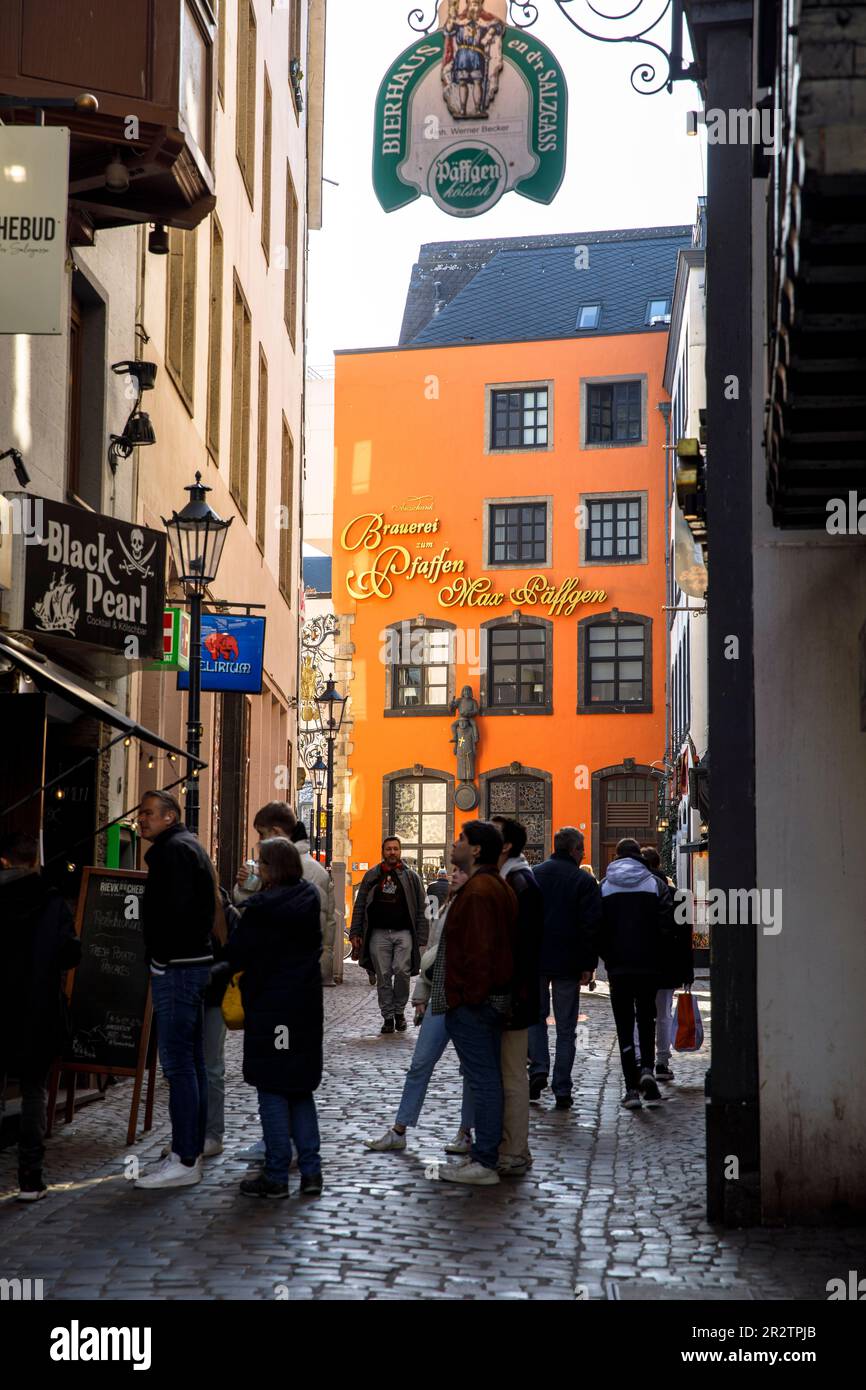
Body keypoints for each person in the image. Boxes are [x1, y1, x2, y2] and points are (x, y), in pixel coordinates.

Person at [219, 838, 324, 1198]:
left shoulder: (262, 909)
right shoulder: (308, 898)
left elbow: (238, 953)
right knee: (299, 1089)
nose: (257, 869)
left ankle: (277, 1174)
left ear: (271, 869)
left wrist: (238, 910)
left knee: (273, 1089)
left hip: (272, 1009)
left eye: (261, 864)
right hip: (305, 1008)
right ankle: (311, 1173)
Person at [135, 790, 216, 1190]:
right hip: (191, 965)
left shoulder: (173, 853)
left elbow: (177, 912)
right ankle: (191, 1147)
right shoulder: (187, 846)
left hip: (178, 969)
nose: (141, 820)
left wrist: (160, 960)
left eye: (148, 813)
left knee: (179, 1063)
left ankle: (185, 1158)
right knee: (193, 1061)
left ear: (170, 817)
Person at [364, 865, 473, 1154]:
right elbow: (432, 956)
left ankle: (466, 1132)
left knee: (470, 1071)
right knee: (420, 1065)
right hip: (440, 997)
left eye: (461, 872)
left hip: (468, 1001)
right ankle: (400, 1129)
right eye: (453, 871)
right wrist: (421, 995)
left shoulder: (477, 906)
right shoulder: (448, 906)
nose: (454, 875)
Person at [430, 821, 516, 1186]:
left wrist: (467, 999)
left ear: (477, 850)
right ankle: (484, 1157)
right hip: (481, 1001)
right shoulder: (491, 886)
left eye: (462, 839)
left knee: (483, 1081)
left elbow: (479, 954)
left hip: (475, 1005)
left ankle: (484, 1160)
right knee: (485, 1079)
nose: (455, 843)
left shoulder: (480, 891)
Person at [0, 832, 81, 1201]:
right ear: (35, 862)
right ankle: (30, 1179)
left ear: (4, 861)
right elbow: (70, 954)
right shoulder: (53, 903)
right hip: (37, 1008)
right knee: (34, 1091)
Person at [484, 815, 543, 1174]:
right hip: (512, 992)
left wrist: (509, 994)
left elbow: (521, 949)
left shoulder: (520, 883)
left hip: (515, 994)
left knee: (512, 1074)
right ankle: (506, 1146)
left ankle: (515, 1150)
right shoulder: (512, 879)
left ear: (505, 846)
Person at [528, 828, 602, 1108]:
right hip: (569, 962)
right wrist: (588, 965)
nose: (583, 853)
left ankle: (538, 1070)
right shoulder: (583, 881)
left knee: (535, 1018)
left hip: (535, 960)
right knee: (566, 1027)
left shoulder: (534, 874)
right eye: (581, 848)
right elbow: (590, 926)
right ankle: (562, 1087)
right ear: (573, 850)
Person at [600, 838, 670, 1111]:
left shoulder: (604, 887)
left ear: (617, 856)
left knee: (624, 1024)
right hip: (648, 966)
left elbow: (597, 928)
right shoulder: (655, 885)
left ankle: (630, 1088)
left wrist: (609, 958)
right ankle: (648, 1069)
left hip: (619, 969)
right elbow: (666, 925)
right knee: (647, 1018)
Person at [235, 801, 337, 988]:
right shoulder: (273, 864)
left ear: (275, 833)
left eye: (261, 833)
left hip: (290, 972)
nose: (259, 840)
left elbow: (309, 928)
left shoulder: (308, 870)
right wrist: (246, 887)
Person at [349, 836, 427, 1034]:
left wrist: (422, 937)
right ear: (382, 851)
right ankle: (388, 1017)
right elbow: (360, 905)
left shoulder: (411, 877)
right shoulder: (372, 875)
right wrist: (356, 931)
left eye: (395, 849)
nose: (392, 852)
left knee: (402, 971)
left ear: (400, 851)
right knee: (383, 976)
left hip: (404, 933)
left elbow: (421, 908)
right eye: (388, 849)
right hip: (378, 933)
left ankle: (399, 1012)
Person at [639, 846, 694, 1080]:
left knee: (639, 1013)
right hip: (668, 965)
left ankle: (641, 1061)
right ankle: (661, 1062)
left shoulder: (637, 895)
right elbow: (685, 939)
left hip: (641, 964)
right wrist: (687, 972)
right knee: (663, 1014)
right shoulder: (678, 895)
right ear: (659, 865)